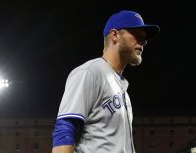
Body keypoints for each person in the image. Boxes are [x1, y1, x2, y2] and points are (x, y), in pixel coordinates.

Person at [52, 9, 160, 153]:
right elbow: (66, 130)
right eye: (136, 34)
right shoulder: (90, 72)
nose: (143, 41)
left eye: (144, 37)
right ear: (115, 35)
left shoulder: (122, 89)